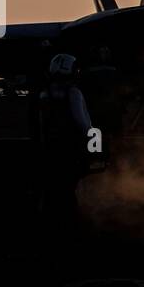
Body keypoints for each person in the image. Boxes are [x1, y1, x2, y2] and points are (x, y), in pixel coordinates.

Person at [37, 54, 95, 217]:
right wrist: (93, 142)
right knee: (70, 189)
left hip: (49, 149)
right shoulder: (74, 93)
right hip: (71, 149)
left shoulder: (44, 94)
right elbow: (83, 123)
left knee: (52, 188)